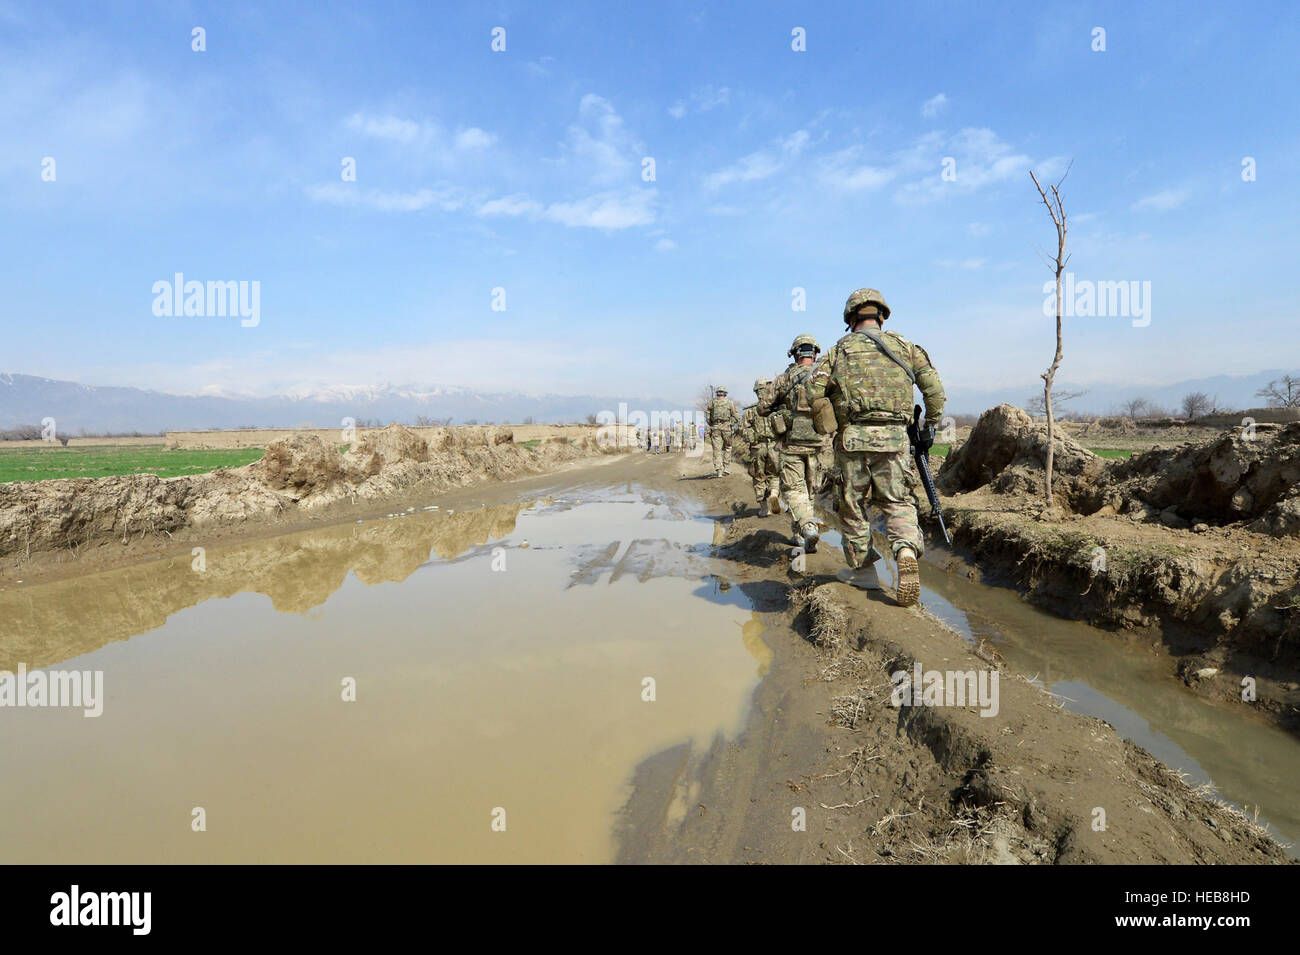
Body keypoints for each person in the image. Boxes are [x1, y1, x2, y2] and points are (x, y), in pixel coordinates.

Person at [807, 288, 945, 606]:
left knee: (851, 505)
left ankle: (865, 571)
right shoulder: (907, 348)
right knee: (897, 501)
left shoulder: (837, 351)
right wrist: (930, 427)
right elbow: (934, 391)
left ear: (851, 319)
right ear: (881, 316)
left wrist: (828, 410)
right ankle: (905, 550)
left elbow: (811, 393)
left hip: (852, 440)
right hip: (895, 439)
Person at [758, 334, 830, 552]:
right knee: (809, 491)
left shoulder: (783, 379)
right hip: (819, 445)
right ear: (815, 353)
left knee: (793, 490)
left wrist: (779, 408)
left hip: (792, 446)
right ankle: (799, 537)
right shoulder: (825, 377)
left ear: (795, 354)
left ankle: (808, 528)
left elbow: (762, 408)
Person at [738, 378, 782, 516]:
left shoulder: (751, 411)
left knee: (758, 477)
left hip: (757, 447)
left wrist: (752, 438)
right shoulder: (777, 407)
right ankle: (774, 494)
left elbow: (742, 429)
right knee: (775, 474)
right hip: (775, 446)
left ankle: (764, 508)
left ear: (757, 392)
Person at [706, 387, 738, 477]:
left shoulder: (712, 403)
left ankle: (719, 471)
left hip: (715, 427)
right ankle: (726, 468)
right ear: (725, 394)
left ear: (717, 393)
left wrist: (711, 424)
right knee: (728, 447)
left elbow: (707, 415)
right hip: (727, 427)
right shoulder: (729, 403)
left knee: (717, 449)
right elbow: (736, 416)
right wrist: (731, 423)